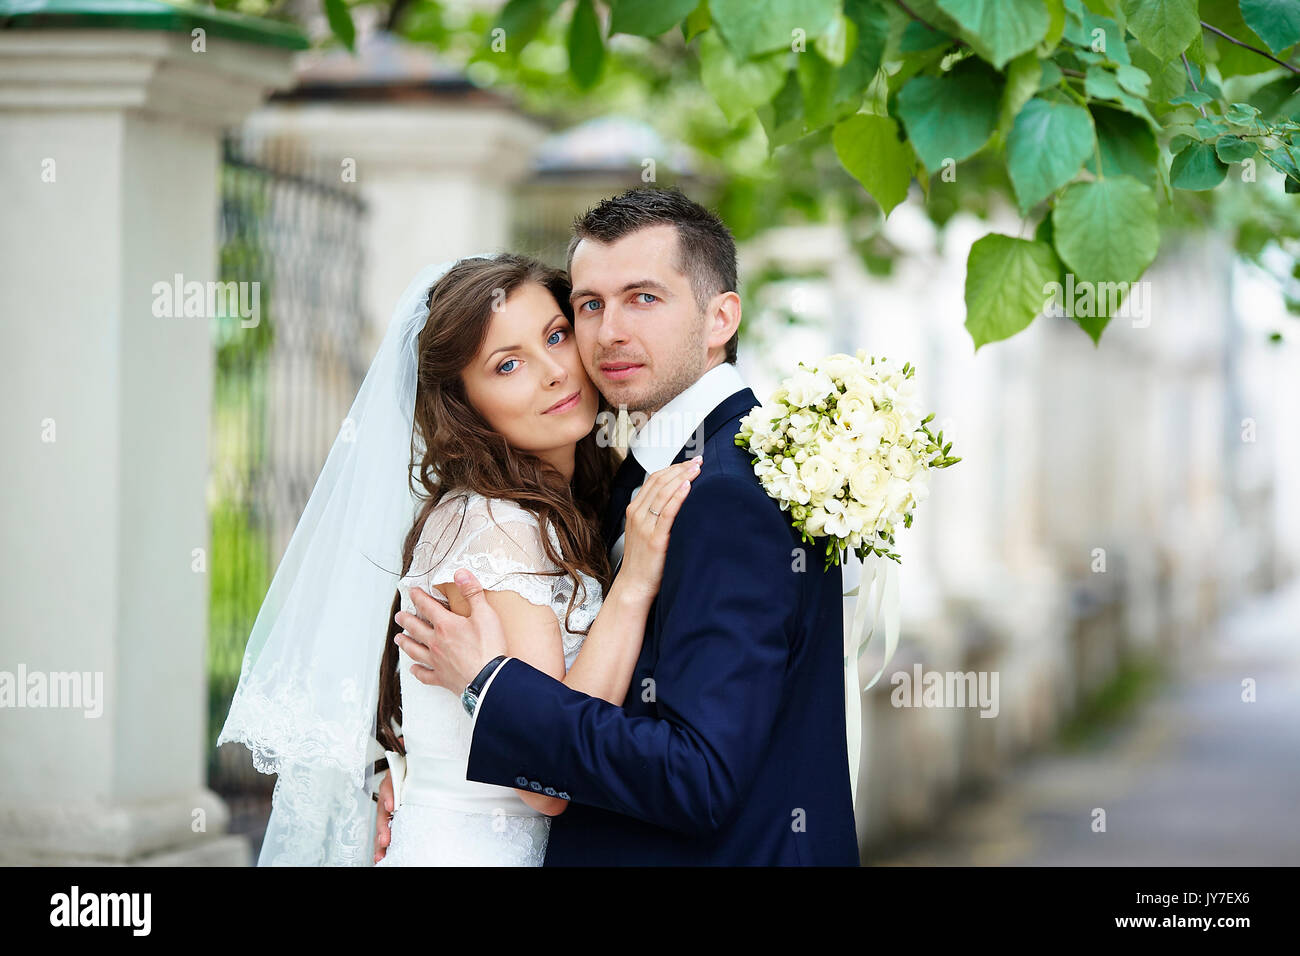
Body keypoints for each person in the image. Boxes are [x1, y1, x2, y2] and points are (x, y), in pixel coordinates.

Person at [380, 187, 860, 865]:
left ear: (721, 316)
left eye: (644, 298)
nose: (609, 334)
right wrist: (420, 775)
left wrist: (488, 691)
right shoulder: (628, 475)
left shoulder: (723, 492)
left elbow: (698, 777)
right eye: (588, 306)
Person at [218, 252, 700, 865]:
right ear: (464, 405)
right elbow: (546, 782)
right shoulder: (498, 525)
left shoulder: (561, 506)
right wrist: (633, 587)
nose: (554, 371)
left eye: (555, 335)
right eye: (507, 365)